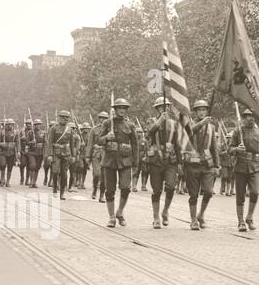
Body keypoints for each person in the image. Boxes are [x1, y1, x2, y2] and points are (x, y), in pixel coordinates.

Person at [94, 97, 140, 227]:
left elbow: (135, 146)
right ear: (115, 110)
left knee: (126, 188)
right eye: (119, 108)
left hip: (125, 161)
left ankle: (120, 212)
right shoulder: (108, 123)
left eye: (124, 108)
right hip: (109, 161)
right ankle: (112, 217)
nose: (122, 110)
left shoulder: (130, 125)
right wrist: (107, 137)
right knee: (110, 190)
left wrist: (136, 163)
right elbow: (98, 140)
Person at [143, 96, 183, 229]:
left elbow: (177, 144)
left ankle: (165, 210)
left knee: (171, 187)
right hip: (155, 160)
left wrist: (180, 162)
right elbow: (149, 132)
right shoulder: (151, 121)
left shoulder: (174, 123)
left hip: (170, 160)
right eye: (161, 107)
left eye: (166, 106)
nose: (164, 109)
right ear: (157, 109)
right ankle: (156, 217)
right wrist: (160, 120)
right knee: (156, 190)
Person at [181, 99, 221, 229]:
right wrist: (202, 123)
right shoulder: (189, 124)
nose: (202, 112)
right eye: (199, 110)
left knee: (208, 192)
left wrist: (216, 165)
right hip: (192, 164)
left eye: (204, 110)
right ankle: (193, 220)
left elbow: (214, 148)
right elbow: (189, 132)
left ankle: (201, 215)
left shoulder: (211, 127)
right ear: (195, 112)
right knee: (193, 195)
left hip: (206, 164)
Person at [229, 108, 259, 231]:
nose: (251, 118)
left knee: (255, 192)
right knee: (240, 195)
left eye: (253, 116)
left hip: (255, 167)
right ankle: (241, 221)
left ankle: (250, 217)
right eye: (248, 116)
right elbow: (229, 150)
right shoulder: (238, 131)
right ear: (243, 118)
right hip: (241, 166)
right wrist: (237, 149)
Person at [44, 109, 79, 200]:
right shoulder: (54, 128)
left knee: (64, 173)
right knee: (55, 172)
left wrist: (73, 156)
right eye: (63, 117)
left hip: (66, 153)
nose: (65, 119)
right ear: (59, 118)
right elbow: (50, 142)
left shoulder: (70, 129)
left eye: (67, 117)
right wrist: (50, 155)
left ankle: (62, 192)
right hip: (56, 152)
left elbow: (71, 144)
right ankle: (55, 189)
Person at [89, 110, 109, 202]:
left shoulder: (110, 130)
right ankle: (94, 190)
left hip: (106, 154)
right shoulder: (94, 129)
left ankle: (101, 195)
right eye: (101, 118)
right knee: (97, 174)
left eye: (105, 118)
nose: (103, 120)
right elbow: (90, 144)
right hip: (96, 154)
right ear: (99, 119)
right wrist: (87, 157)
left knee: (104, 176)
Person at [0, 118, 20, 187]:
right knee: (2, 165)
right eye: (8, 124)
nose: (10, 126)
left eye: (11, 124)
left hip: (11, 152)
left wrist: (18, 151)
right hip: (3, 151)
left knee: (10, 167)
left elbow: (18, 143)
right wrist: (1, 144)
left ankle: (8, 181)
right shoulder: (1, 132)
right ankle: (2, 179)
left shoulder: (15, 132)